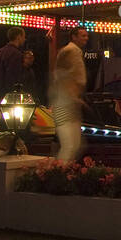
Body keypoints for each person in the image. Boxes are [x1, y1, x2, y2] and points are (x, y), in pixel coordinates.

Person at [51, 27, 89, 161]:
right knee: (70, 145)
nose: (86, 38)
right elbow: (61, 76)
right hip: (65, 103)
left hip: (70, 104)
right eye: (83, 35)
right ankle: (57, 174)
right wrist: (73, 95)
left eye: (86, 36)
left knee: (75, 145)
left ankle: (64, 173)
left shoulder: (73, 51)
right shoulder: (70, 51)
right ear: (73, 37)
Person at [0, 27, 27, 102]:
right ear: (18, 37)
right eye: (24, 37)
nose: (24, 39)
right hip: (9, 96)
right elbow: (14, 77)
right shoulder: (16, 54)